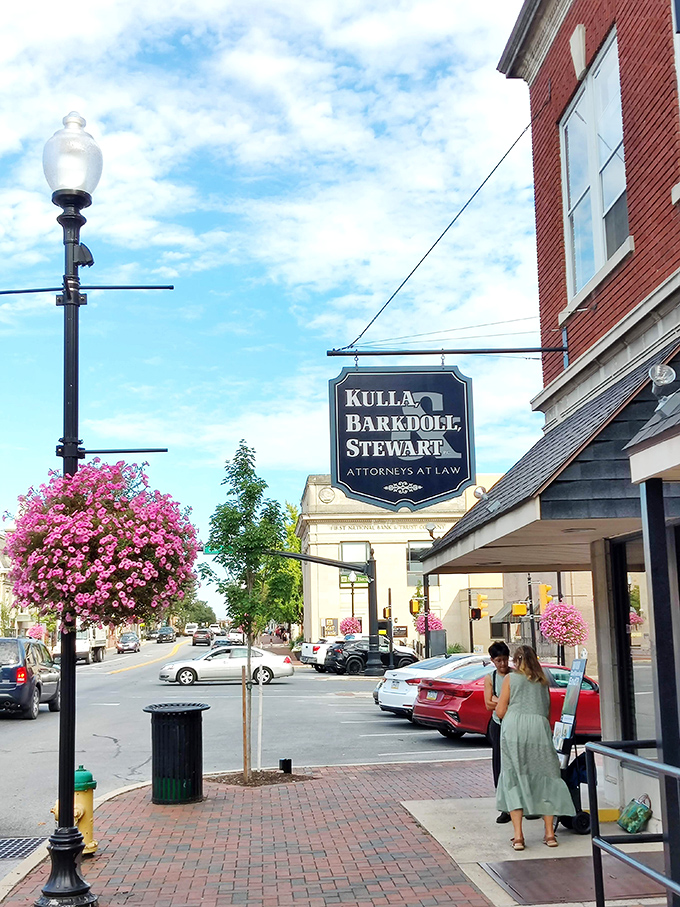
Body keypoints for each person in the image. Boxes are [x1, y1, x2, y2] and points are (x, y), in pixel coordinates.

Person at [495, 645, 575, 850]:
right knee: (546, 776)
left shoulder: (510, 679)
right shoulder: (542, 682)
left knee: (514, 777)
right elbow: (546, 711)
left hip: (514, 729)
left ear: (516, 660)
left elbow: (501, 710)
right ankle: (549, 834)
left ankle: (519, 837)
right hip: (539, 729)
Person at [484, 641, 512, 824]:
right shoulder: (490, 678)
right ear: (492, 660)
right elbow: (488, 703)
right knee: (499, 765)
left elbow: (517, 701)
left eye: (505, 660)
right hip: (498, 724)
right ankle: (504, 808)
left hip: (514, 725)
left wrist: (498, 699)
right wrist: (504, 702)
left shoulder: (515, 675)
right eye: (498, 661)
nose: (502, 664)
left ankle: (522, 805)